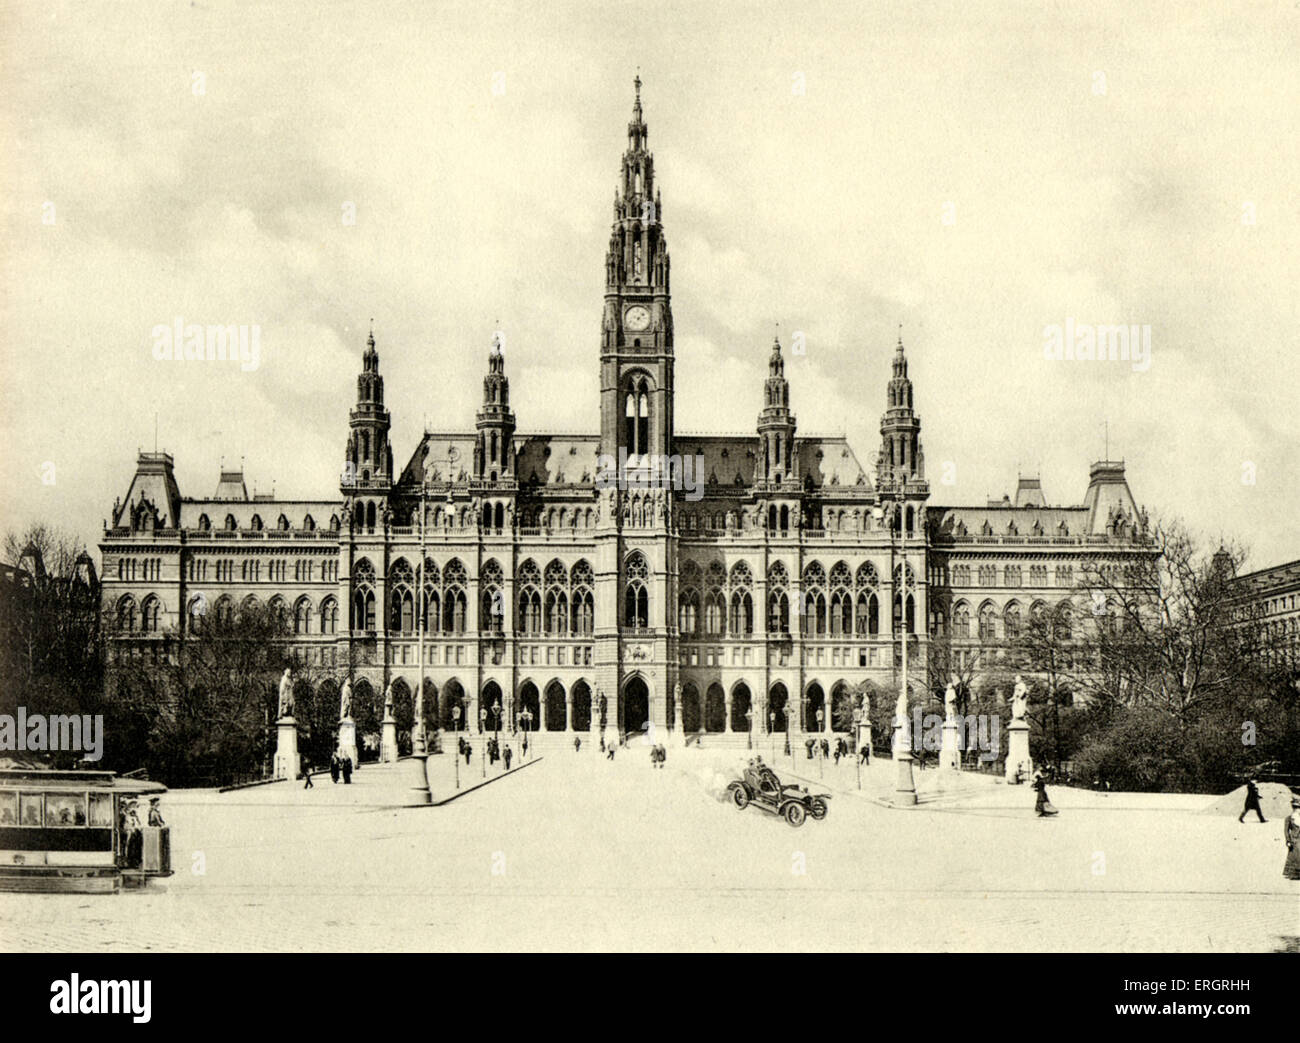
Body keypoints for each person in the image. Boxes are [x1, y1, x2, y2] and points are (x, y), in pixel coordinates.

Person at [1283, 795, 1300, 881]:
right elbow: (1286, 831)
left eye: (1298, 807)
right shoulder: (1289, 819)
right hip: (1295, 840)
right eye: (1295, 807)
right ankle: (1294, 874)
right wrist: (1288, 840)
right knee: (1295, 856)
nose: (1297, 809)